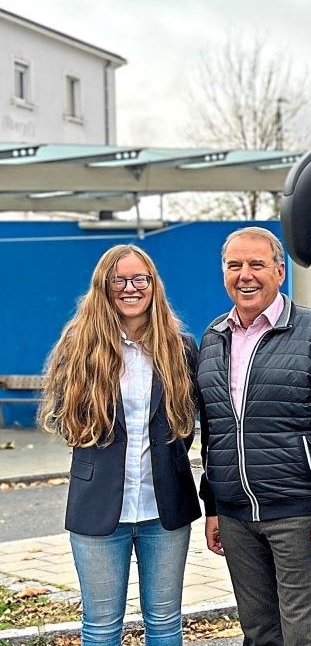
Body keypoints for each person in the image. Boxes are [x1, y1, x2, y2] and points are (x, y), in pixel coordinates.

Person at [196, 226, 311, 646]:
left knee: (303, 636)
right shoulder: (214, 336)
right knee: (258, 634)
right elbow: (215, 431)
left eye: (256, 264)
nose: (245, 274)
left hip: (300, 516)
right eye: (235, 265)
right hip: (236, 519)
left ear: (279, 271)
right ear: (223, 273)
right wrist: (213, 505)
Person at [38, 244, 200, 646]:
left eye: (139, 279)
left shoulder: (179, 347)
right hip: (97, 504)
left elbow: (188, 422)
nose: (130, 288)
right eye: (119, 280)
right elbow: (62, 417)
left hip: (165, 508)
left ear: (153, 285)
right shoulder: (78, 345)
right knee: (101, 625)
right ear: (104, 287)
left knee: (165, 623)